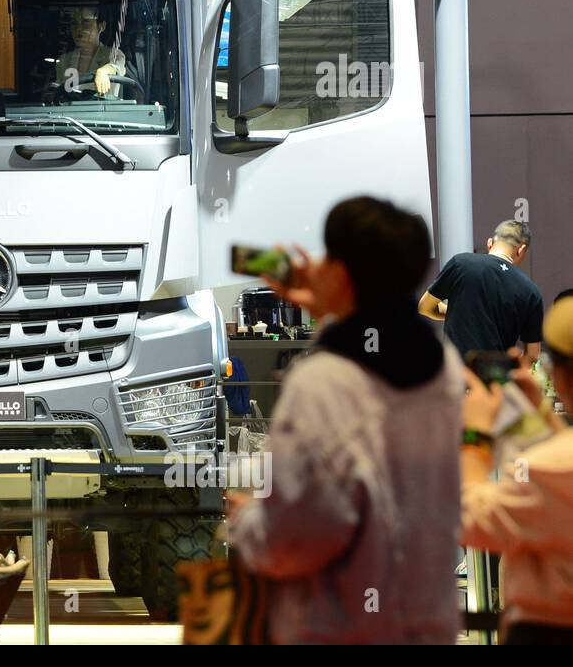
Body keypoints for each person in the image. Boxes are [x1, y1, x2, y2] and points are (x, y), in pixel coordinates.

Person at [228, 196, 462, 644]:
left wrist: (247, 522)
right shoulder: (442, 370)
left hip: (339, 628)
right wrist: (331, 311)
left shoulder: (321, 383)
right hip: (427, 623)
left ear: (341, 272)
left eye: (329, 256)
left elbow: (297, 540)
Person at [459, 297, 573, 643]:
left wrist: (474, 435)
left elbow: (470, 519)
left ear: (559, 375)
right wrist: (542, 414)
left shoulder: (547, 469)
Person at [419, 219, 543, 358]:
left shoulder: (460, 263)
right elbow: (532, 355)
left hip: (456, 373)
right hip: (496, 376)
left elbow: (424, 307)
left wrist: (458, 312)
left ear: (490, 243)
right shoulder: (531, 291)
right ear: (521, 249)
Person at [46, 5, 131, 99]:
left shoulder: (113, 54)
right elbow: (58, 94)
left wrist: (104, 71)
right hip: (67, 113)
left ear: (101, 26)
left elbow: (117, 66)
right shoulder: (63, 61)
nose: (78, 29)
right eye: (74, 23)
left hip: (103, 112)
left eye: (85, 22)